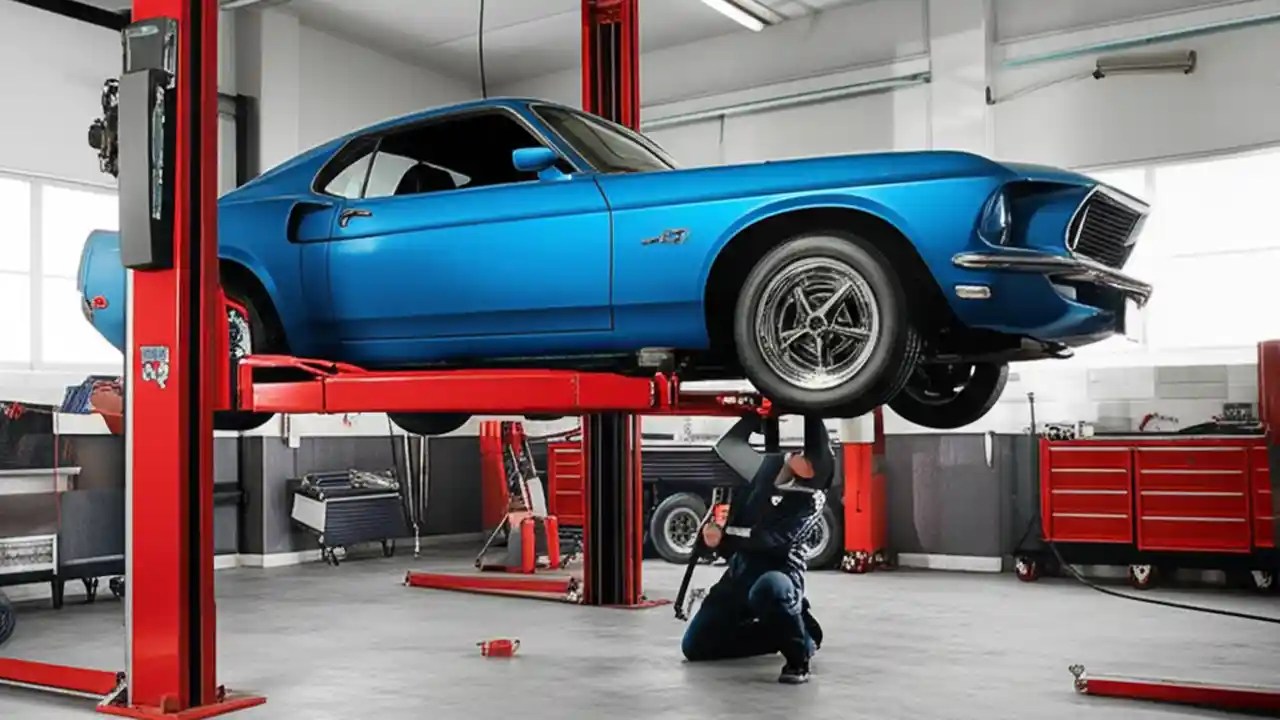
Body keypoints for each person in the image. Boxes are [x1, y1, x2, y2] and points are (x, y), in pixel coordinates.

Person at [680, 414, 832, 684]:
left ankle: (800, 653)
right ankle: (782, 630)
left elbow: (771, 540)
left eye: (804, 452)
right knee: (695, 647)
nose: (796, 454)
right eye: (795, 450)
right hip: (739, 576)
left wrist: (725, 538)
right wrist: (756, 415)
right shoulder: (766, 471)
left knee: (769, 588)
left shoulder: (811, 499)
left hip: (779, 575)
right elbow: (729, 445)